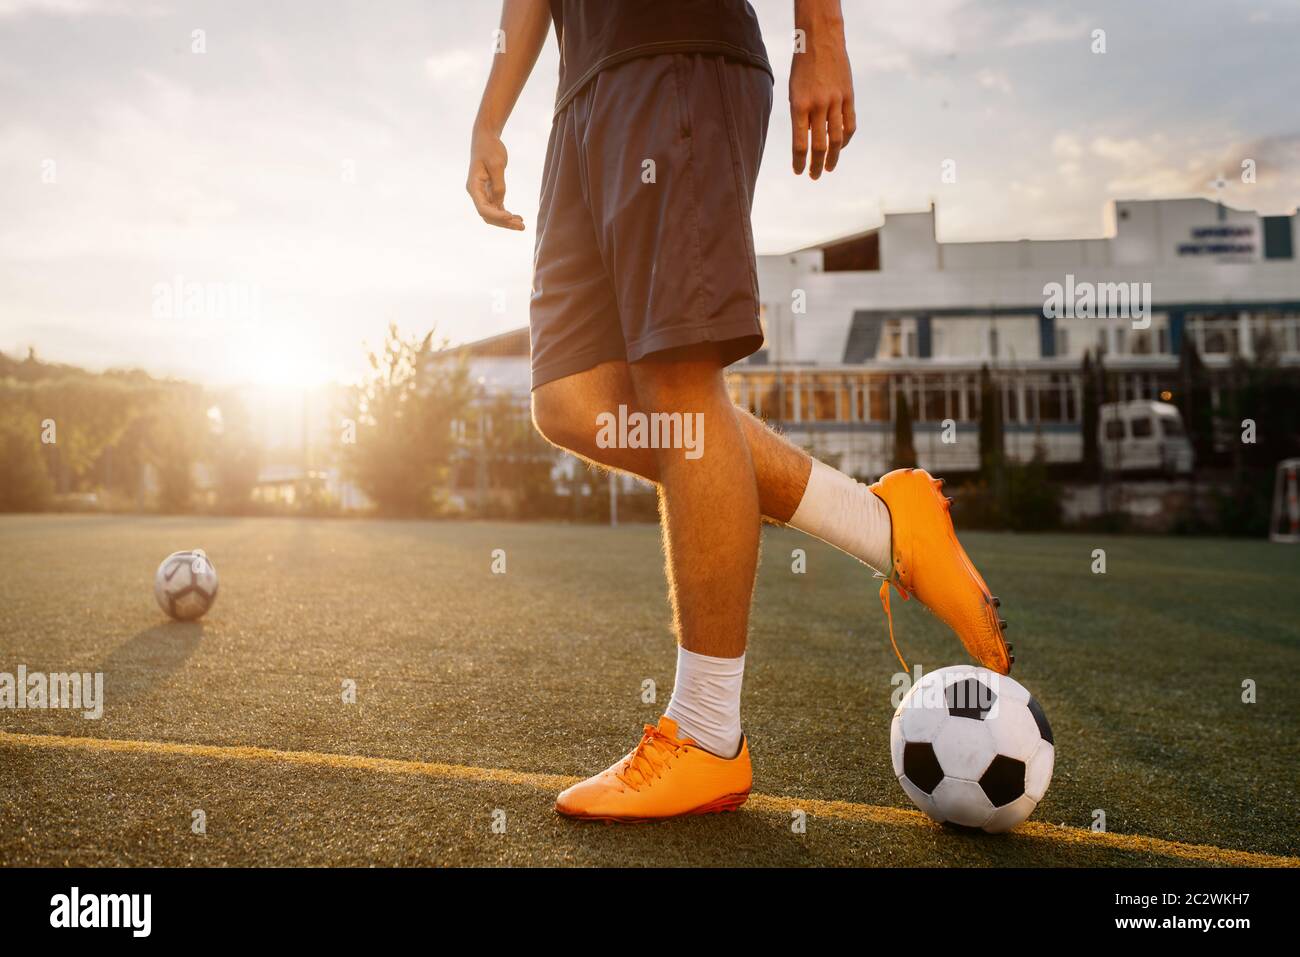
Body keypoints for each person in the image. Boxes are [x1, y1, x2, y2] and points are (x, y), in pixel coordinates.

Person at [467, 0, 1012, 822]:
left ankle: (709, 733)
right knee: (572, 402)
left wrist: (821, 36)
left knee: (678, 384)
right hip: (582, 93)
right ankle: (883, 526)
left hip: (675, 53)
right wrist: (489, 117)